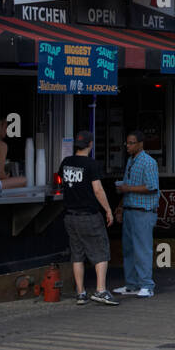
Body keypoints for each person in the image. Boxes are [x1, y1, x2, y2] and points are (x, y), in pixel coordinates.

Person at [57, 131, 118, 305]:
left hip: (70, 216)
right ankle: (100, 290)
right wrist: (108, 210)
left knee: (77, 255)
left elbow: (61, 181)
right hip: (88, 215)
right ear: (91, 144)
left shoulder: (66, 162)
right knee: (101, 251)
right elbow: (98, 190)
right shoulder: (92, 165)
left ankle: (80, 293)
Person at [113, 130, 159, 298]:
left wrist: (128, 189)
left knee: (142, 249)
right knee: (129, 249)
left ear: (140, 144)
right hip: (130, 209)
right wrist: (120, 207)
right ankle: (131, 284)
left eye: (132, 143)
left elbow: (151, 186)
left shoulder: (148, 162)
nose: (128, 146)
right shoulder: (130, 162)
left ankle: (147, 285)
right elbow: (127, 185)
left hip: (143, 211)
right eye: (127, 143)